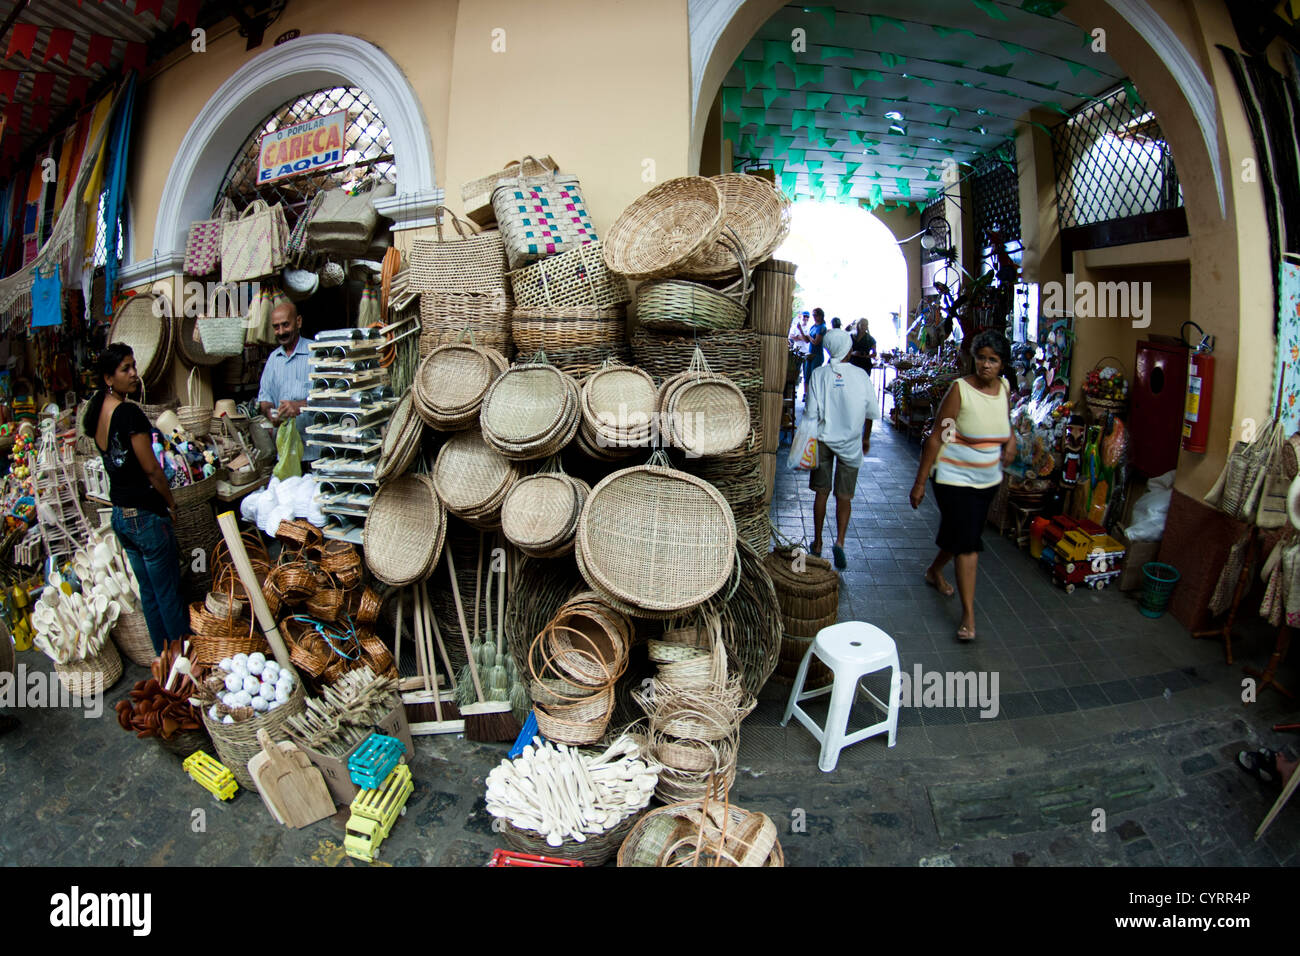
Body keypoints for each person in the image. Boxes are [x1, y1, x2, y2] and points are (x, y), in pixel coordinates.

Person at [908, 330, 1017, 642]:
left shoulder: (1005, 388)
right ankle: (968, 615)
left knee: (961, 534)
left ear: (1002, 365)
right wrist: (919, 484)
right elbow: (937, 437)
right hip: (953, 478)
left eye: (993, 360)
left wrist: (1010, 440)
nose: (985, 365)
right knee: (968, 543)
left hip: (987, 481)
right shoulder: (960, 390)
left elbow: (1004, 421)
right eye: (981, 358)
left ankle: (934, 571)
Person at [83, 344, 188, 654]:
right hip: (144, 515)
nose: (134, 374)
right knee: (168, 593)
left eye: (133, 366)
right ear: (108, 378)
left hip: (121, 516)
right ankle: (185, 664)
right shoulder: (128, 412)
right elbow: (152, 470)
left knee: (151, 594)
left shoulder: (98, 411)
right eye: (125, 369)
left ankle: (164, 664)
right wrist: (171, 503)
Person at [805, 328, 880, 570]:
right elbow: (870, 413)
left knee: (821, 493)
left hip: (824, 440)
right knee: (844, 496)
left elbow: (810, 412)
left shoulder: (819, 374)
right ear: (848, 348)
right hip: (850, 443)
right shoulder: (861, 376)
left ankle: (817, 543)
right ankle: (840, 541)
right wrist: (865, 439)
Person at [257, 301, 317, 463]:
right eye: (276, 327)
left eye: (285, 325)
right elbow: (265, 399)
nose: (281, 331)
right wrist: (270, 413)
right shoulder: (273, 359)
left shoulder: (316, 353)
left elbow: (333, 398)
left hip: (315, 454)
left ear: (298, 322)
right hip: (285, 454)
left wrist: (300, 406)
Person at [803, 307, 827, 399]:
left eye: (816, 315)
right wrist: (801, 331)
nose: (814, 317)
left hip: (817, 354)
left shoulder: (822, 328)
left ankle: (814, 396)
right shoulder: (813, 326)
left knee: (814, 375)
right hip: (810, 353)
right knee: (807, 374)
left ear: (820, 316)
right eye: (813, 315)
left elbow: (816, 342)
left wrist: (808, 336)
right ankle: (806, 394)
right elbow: (806, 340)